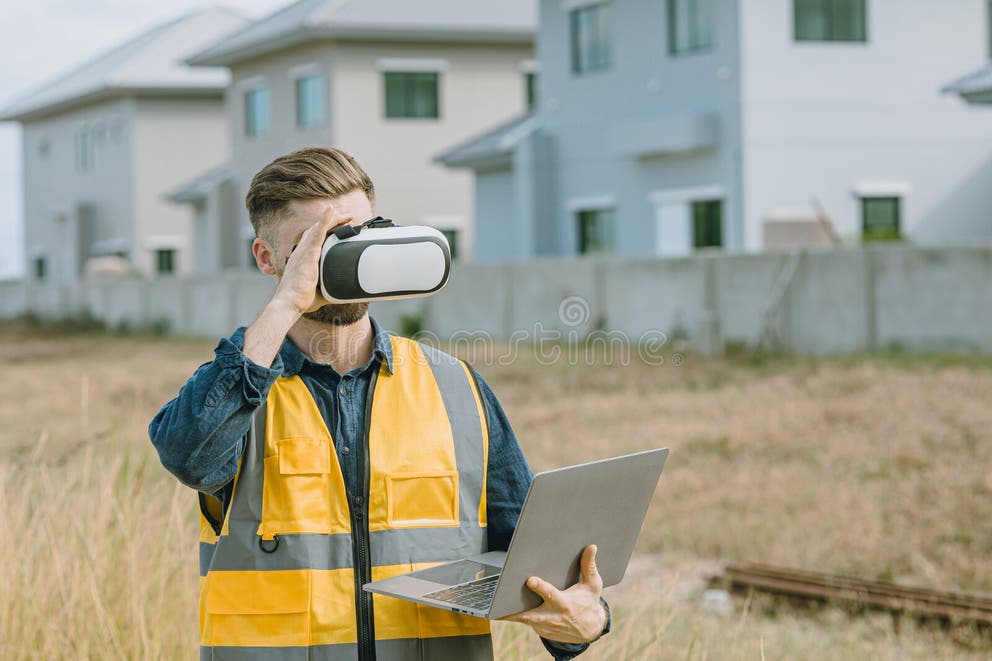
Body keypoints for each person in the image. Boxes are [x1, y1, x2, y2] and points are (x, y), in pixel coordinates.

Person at [149, 146, 610, 661]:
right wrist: (287, 303)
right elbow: (187, 456)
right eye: (316, 244)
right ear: (266, 257)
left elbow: (538, 564)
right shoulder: (237, 395)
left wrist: (583, 619)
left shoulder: (456, 388)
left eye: (357, 235)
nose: (345, 258)